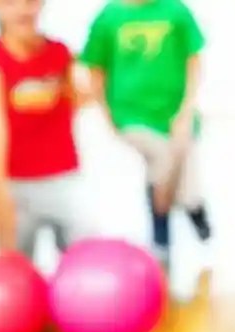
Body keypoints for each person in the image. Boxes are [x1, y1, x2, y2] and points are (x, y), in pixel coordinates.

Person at [79, 0, 212, 275]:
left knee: (188, 187)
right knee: (163, 161)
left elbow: (194, 61)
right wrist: (107, 116)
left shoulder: (176, 11)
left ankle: (197, 217)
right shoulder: (107, 17)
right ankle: (161, 237)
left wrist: (186, 112)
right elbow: (96, 70)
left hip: (176, 116)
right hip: (130, 116)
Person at [0, 0, 89, 263]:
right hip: (17, 183)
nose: (22, 10)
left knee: (82, 256)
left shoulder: (61, 53)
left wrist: (90, 82)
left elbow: (79, 99)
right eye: (10, 3)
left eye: (30, 1)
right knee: (16, 262)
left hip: (64, 176)